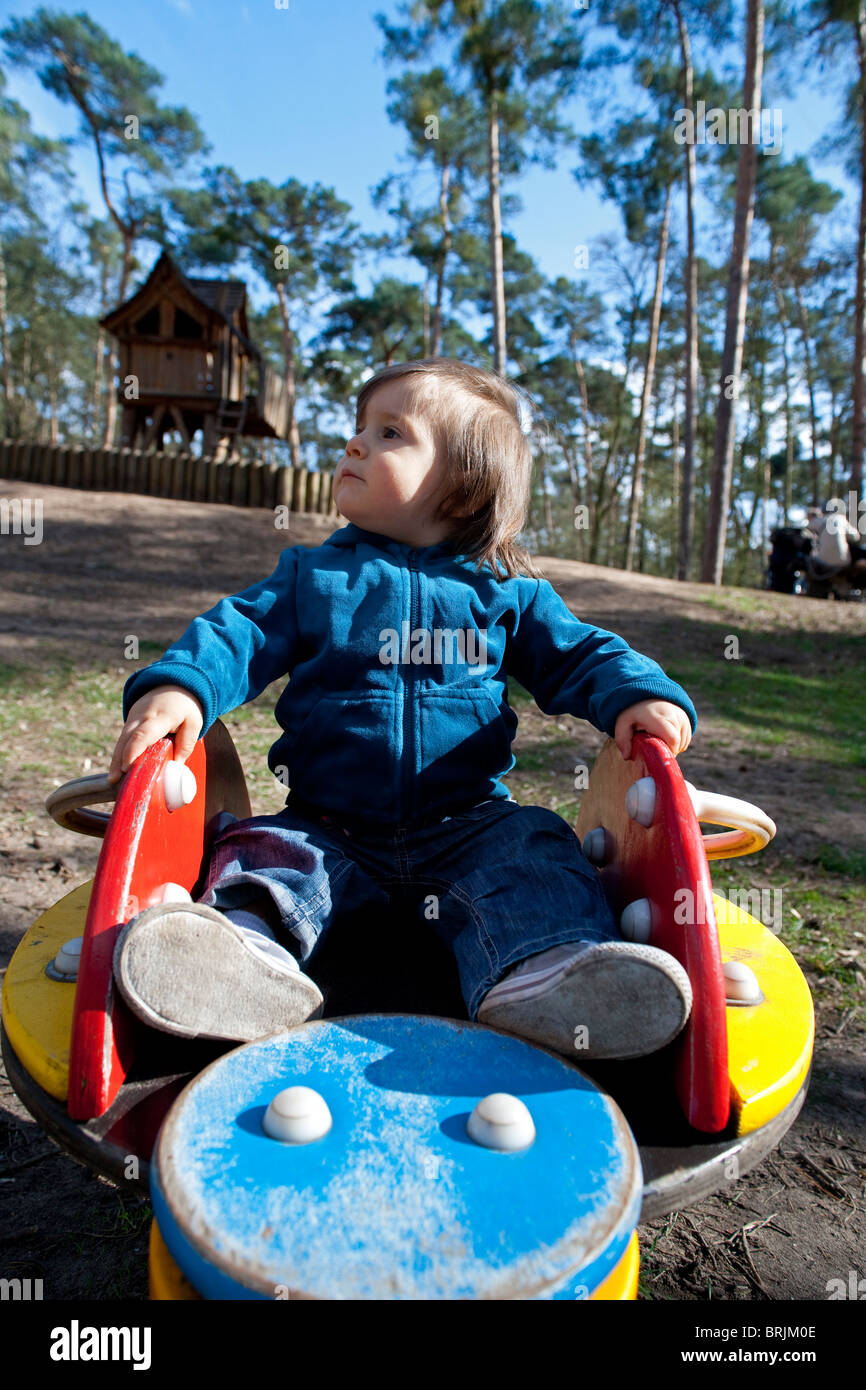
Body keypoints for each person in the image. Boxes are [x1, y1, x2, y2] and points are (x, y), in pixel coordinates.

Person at [107, 359, 698, 1062]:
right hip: (327, 826)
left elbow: (583, 654)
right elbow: (238, 633)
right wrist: (180, 687)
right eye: (358, 429)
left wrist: (640, 693)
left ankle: (548, 977)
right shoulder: (312, 577)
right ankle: (239, 962)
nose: (354, 443)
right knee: (262, 857)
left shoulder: (507, 594)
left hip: (468, 825)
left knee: (536, 853)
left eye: (390, 432)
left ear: (462, 487)